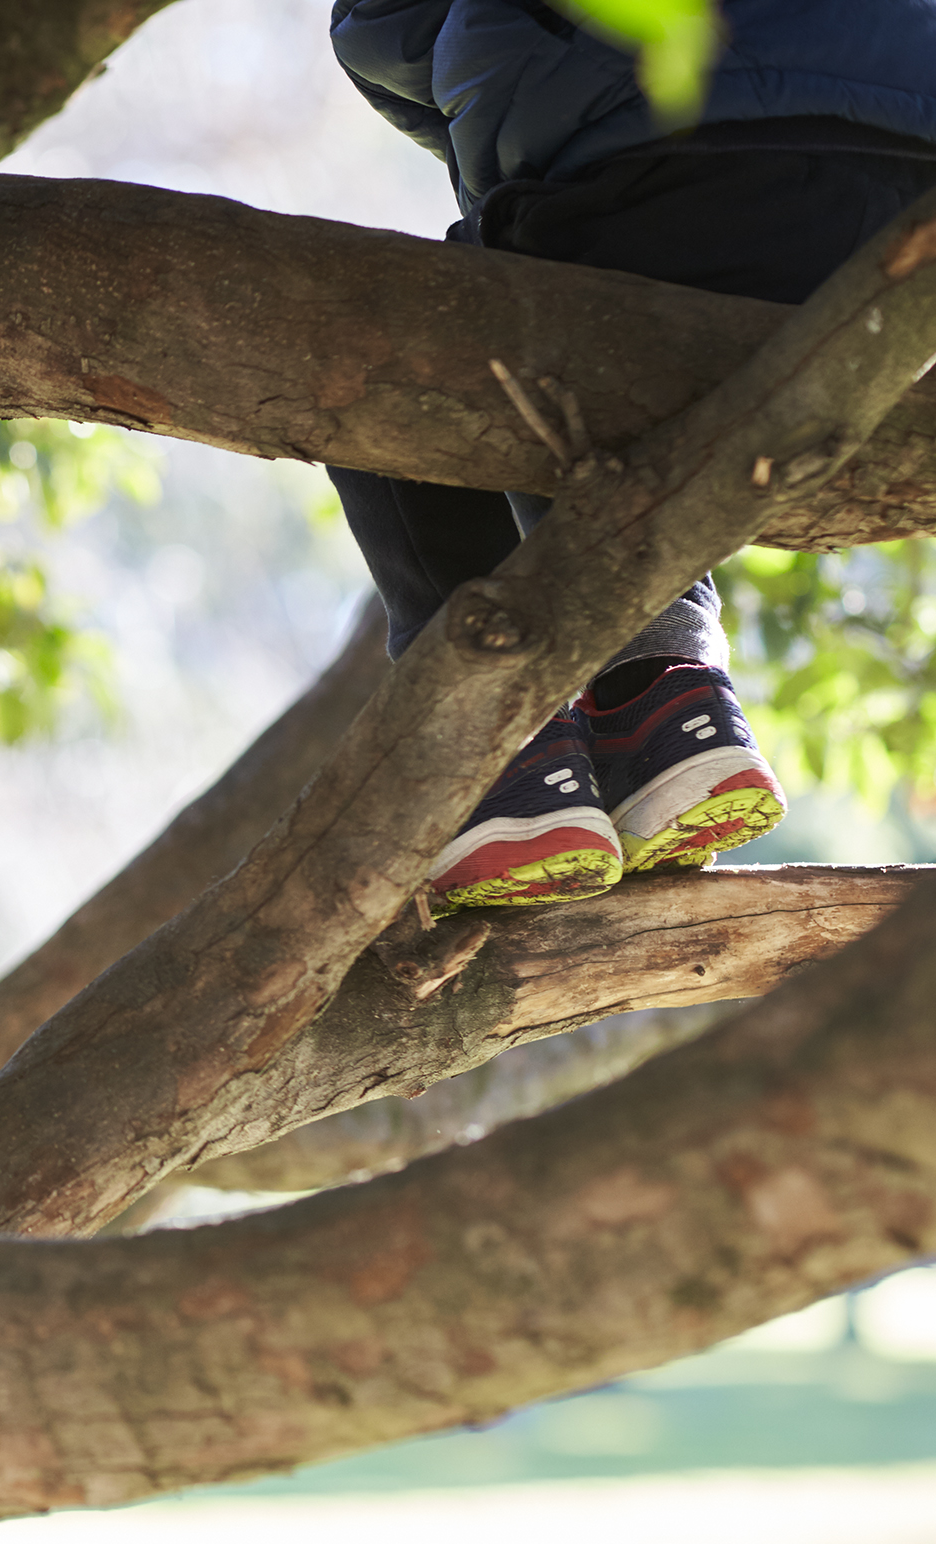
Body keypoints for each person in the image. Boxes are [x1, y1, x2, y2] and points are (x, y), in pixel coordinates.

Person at [327, 0, 936, 914]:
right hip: (906, 204)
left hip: (676, 163)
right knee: (572, 310)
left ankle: (494, 750)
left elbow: (384, 28)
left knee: (405, 340)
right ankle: (667, 707)